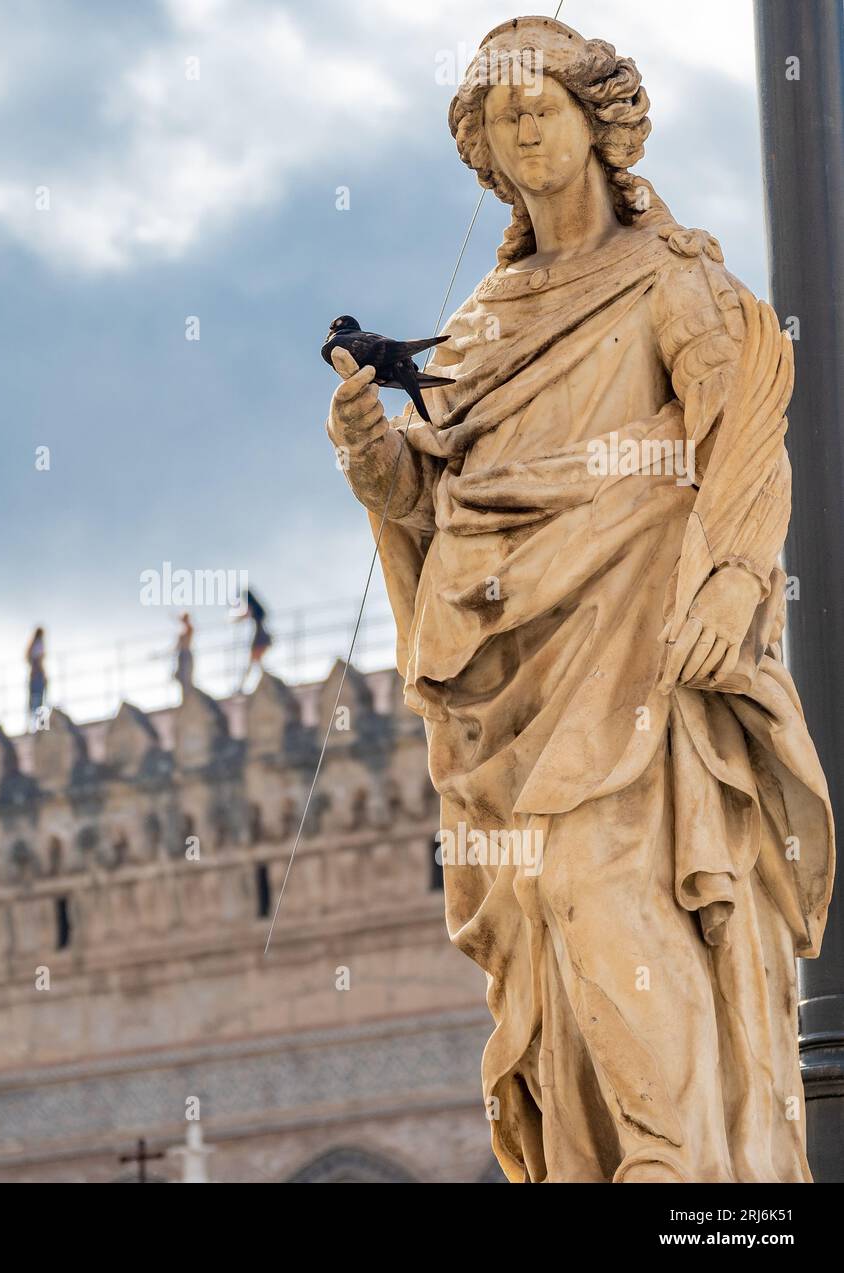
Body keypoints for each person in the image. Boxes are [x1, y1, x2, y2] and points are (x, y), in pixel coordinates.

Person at [324, 16, 831, 1183]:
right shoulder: (484, 326)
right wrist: (370, 453)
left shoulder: (673, 284)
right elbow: (440, 494)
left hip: (641, 645)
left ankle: (674, 1164)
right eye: (501, 119)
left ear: (598, 123)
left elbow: (744, 443)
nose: (524, 131)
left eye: (540, 107)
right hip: (517, 670)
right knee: (541, 909)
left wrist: (732, 578)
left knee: (599, 882)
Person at [234, 590, 272, 693]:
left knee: (253, 663)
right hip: (262, 637)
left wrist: (235, 619)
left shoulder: (254, 610)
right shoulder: (258, 610)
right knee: (256, 663)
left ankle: (242, 687)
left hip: (260, 638)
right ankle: (244, 686)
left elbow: (245, 614)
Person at [26, 626, 47, 727]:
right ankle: (42, 725)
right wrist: (44, 675)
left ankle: (31, 724)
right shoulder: (39, 644)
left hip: (33, 676)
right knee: (40, 700)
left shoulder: (32, 646)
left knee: (33, 701)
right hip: (38, 675)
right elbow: (39, 661)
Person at [173, 612, 194, 694]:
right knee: (180, 677)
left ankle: (188, 695)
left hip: (186, 655)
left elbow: (189, 628)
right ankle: (185, 696)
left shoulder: (189, 629)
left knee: (186, 678)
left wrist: (181, 619)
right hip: (181, 655)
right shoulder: (183, 631)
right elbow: (177, 646)